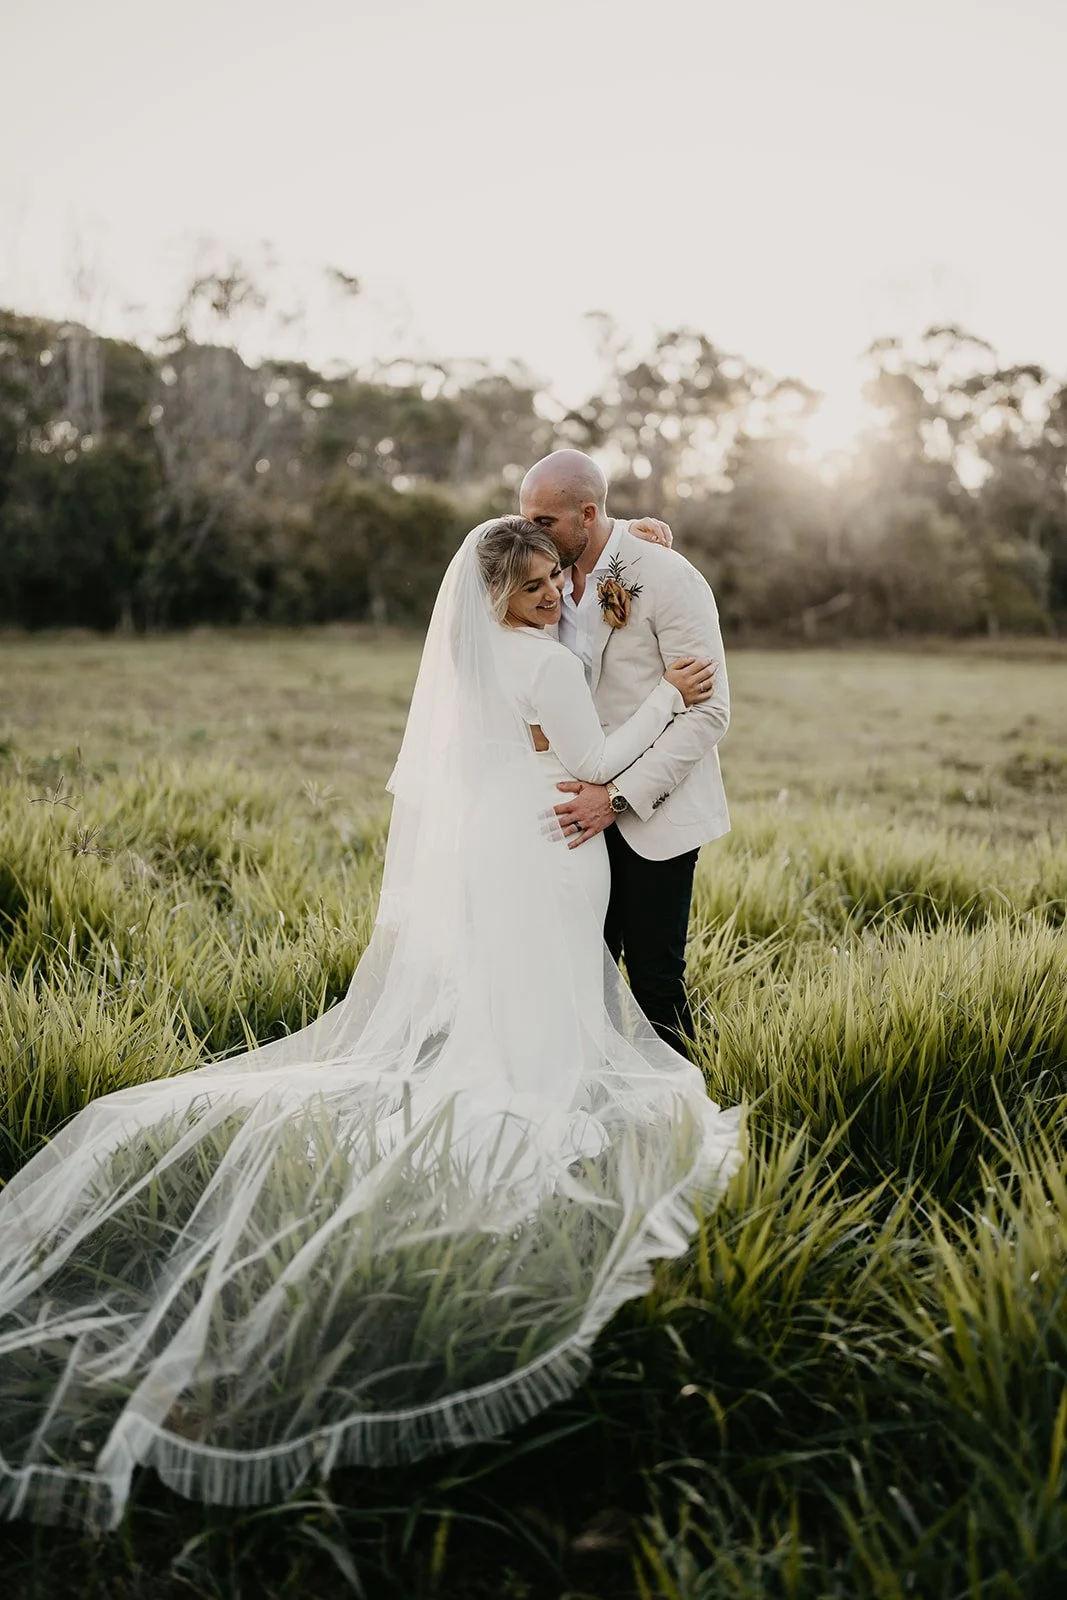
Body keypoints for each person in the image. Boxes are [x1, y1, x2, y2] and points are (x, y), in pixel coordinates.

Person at [0, 519, 739, 1530]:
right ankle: (538, 1086)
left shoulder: (477, 655)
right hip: (551, 840)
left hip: (494, 838)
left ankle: (518, 1070)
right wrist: (669, 696)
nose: (550, 595)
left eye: (551, 578)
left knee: (510, 984)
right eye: (531, 585)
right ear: (498, 591)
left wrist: (625, 556)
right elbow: (597, 756)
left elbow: (528, 713)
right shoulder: (545, 663)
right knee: (553, 983)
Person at [519, 451, 730, 1048]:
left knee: (656, 986)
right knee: (584, 978)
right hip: (569, 814)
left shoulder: (667, 576)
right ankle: (594, 1095)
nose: (531, 533)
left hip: (653, 812)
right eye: (526, 519)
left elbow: (709, 712)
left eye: (544, 521)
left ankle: (680, 1099)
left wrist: (614, 797)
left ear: (587, 515)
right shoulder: (537, 580)